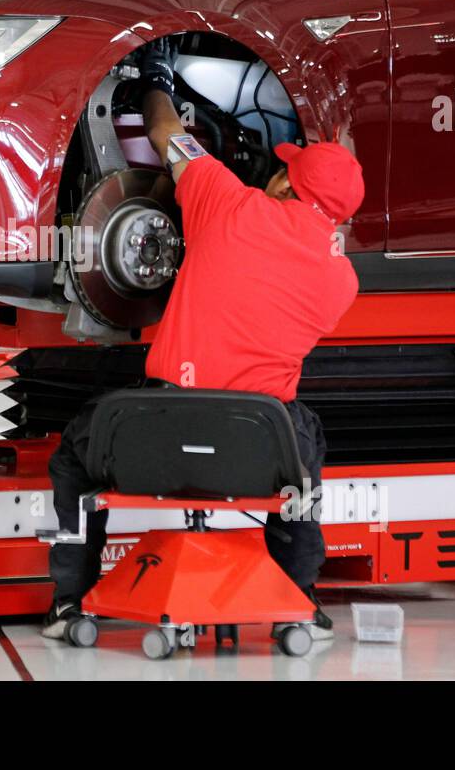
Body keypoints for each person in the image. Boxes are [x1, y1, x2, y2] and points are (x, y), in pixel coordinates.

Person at [42, 37, 365, 642]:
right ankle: (301, 603)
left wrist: (155, 81)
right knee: (306, 454)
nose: (272, 171)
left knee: (72, 460)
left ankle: (69, 605)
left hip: (159, 432)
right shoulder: (342, 281)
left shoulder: (225, 202)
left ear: (287, 188)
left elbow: (168, 135)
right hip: (259, 447)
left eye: (282, 170)